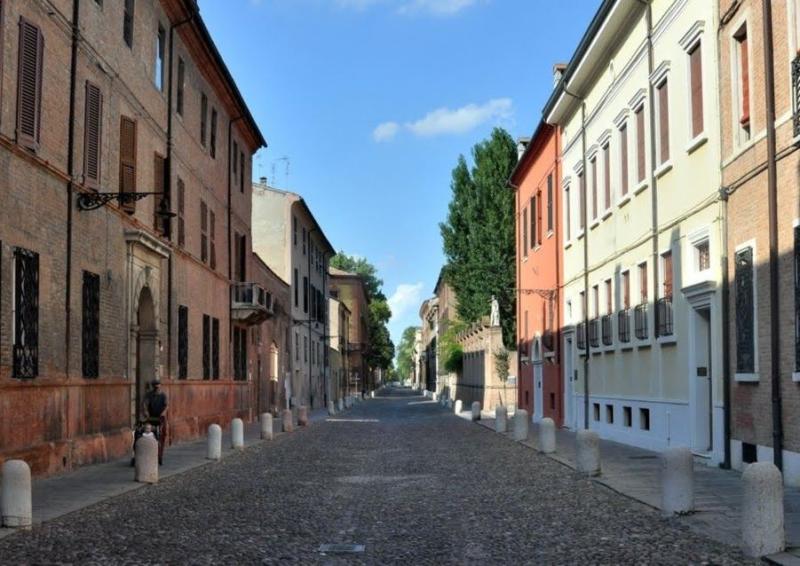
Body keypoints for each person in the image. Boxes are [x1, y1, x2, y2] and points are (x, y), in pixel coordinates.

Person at [142, 379, 168, 465]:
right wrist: (146, 412)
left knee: (162, 435)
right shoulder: (149, 395)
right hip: (151, 418)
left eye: (158, 386)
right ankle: (148, 454)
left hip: (160, 418)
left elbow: (166, 406)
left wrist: (163, 413)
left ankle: (160, 456)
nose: (157, 388)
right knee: (148, 434)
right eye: (155, 387)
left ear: (160, 386)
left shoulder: (163, 395)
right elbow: (145, 404)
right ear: (153, 387)